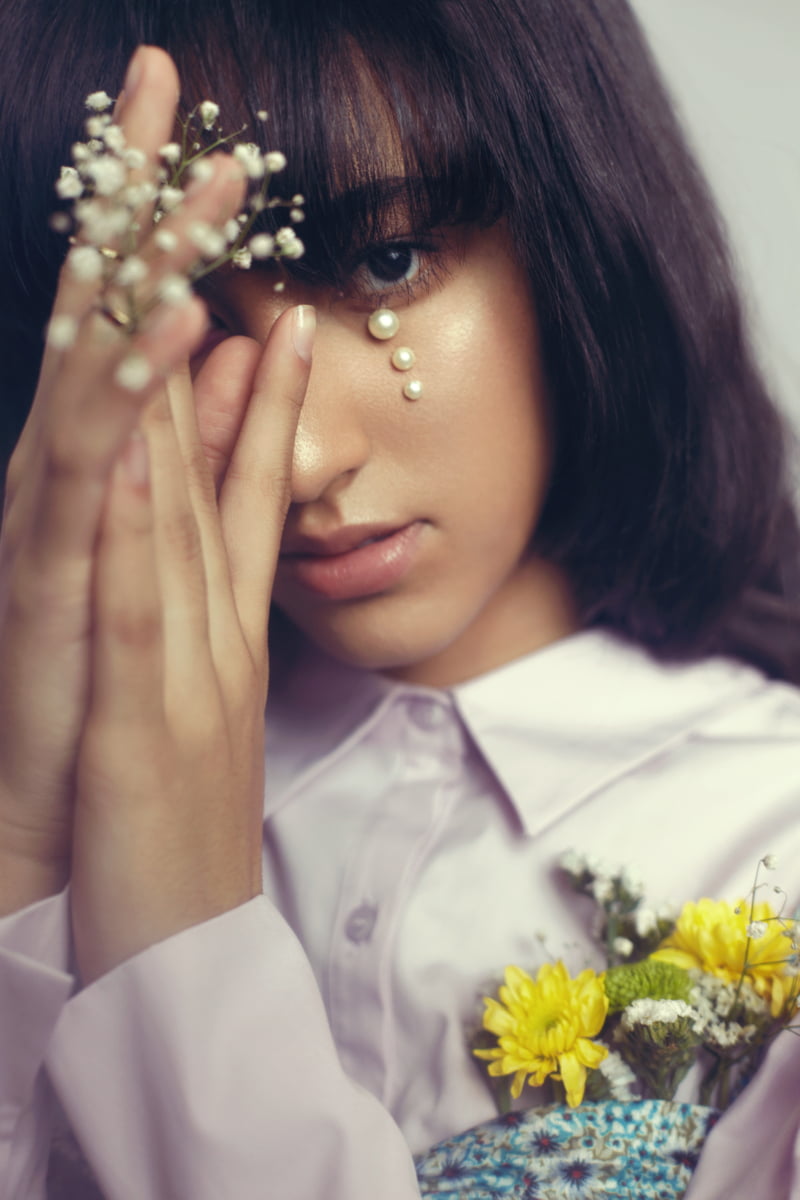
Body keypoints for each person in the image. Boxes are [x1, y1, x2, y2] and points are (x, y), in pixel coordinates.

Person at [1, 1, 799, 1197]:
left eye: (385, 263)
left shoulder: (767, 835)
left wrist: (180, 944)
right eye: (198, 324)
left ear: (579, 227)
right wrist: (19, 835)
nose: (307, 459)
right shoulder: (40, 813)